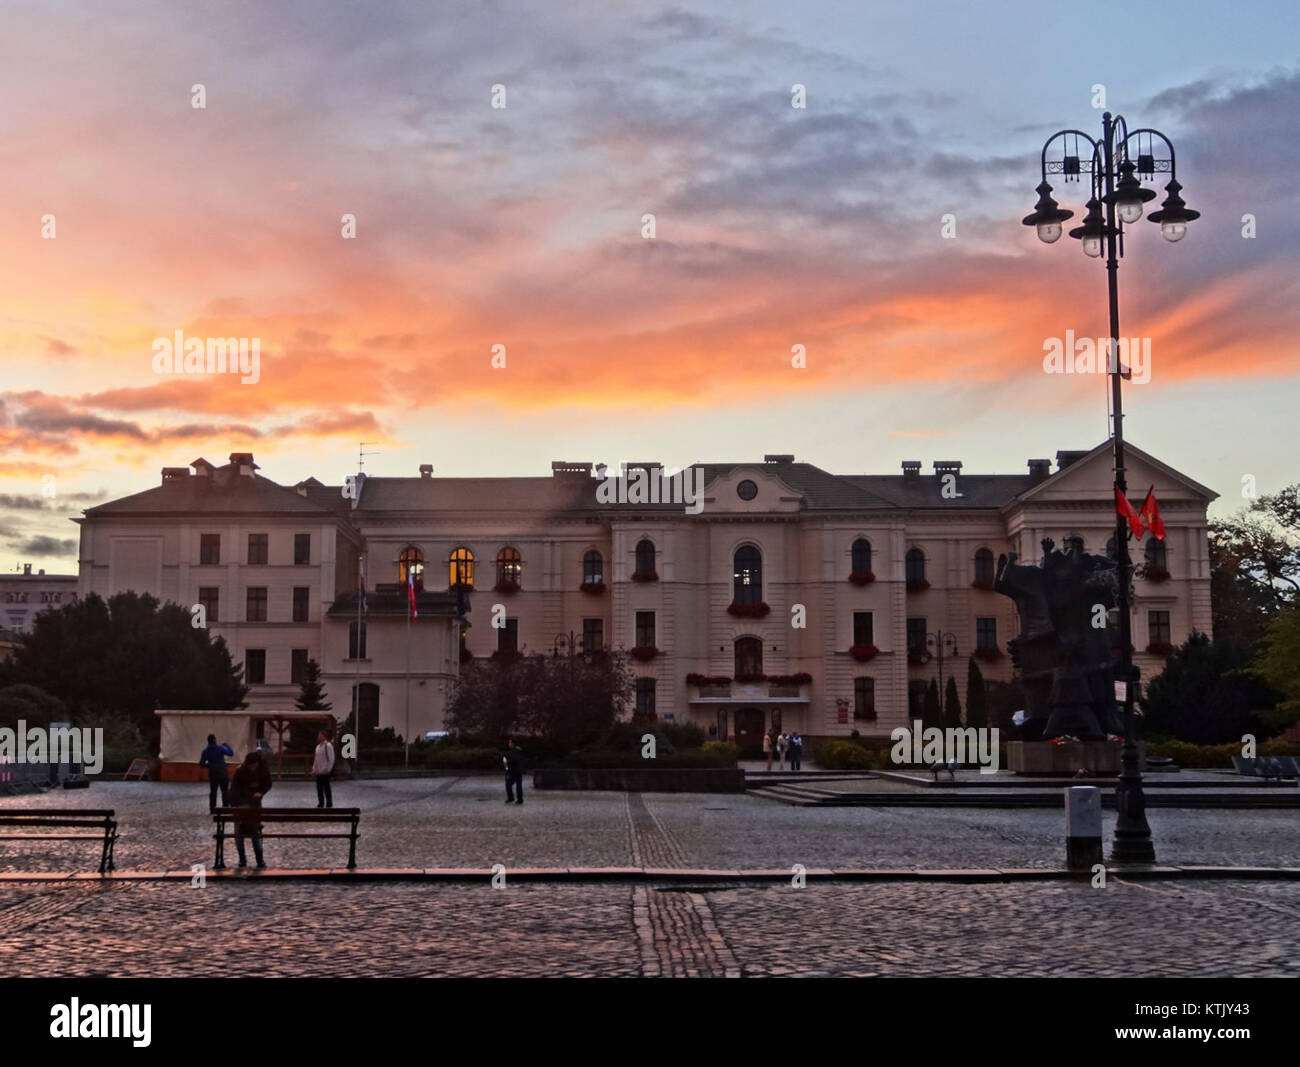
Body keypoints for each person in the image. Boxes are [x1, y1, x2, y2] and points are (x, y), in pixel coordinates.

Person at [228, 751, 273, 868]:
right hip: (245, 806)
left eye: (253, 765)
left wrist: (260, 793)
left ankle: (257, 859)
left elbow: (267, 784)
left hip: (251, 806)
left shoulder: (261, 771)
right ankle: (245, 859)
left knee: (252, 832)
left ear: (257, 763)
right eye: (250, 765)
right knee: (248, 832)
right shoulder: (242, 771)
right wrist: (248, 801)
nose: (252, 768)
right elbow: (234, 792)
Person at [198, 734, 234, 812]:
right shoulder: (220, 748)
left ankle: (212, 808)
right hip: (222, 771)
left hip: (213, 773)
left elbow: (201, 764)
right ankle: (225, 807)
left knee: (213, 791)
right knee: (224, 790)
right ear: (214, 740)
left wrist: (210, 765)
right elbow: (231, 753)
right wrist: (228, 746)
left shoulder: (205, 751)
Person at [312, 730, 336, 808]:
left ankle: (329, 802)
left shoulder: (328, 746)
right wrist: (314, 769)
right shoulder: (318, 747)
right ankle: (321, 802)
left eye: (319, 735)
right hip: (319, 772)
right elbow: (316, 759)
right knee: (319, 789)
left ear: (323, 736)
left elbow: (331, 759)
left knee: (326, 788)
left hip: (325, 771)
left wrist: (328, 769)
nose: (318, 737)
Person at [503, 737, 525, 805]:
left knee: (508, 784)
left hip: (511, 771)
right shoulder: (520, 751)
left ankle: (510, 798)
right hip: (519, 771)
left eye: (509, 743)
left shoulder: (509, 753)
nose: (508, 744)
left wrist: (507, 769)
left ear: (512, 744)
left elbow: (506, 762)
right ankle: (520, 799)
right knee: (519, 785)